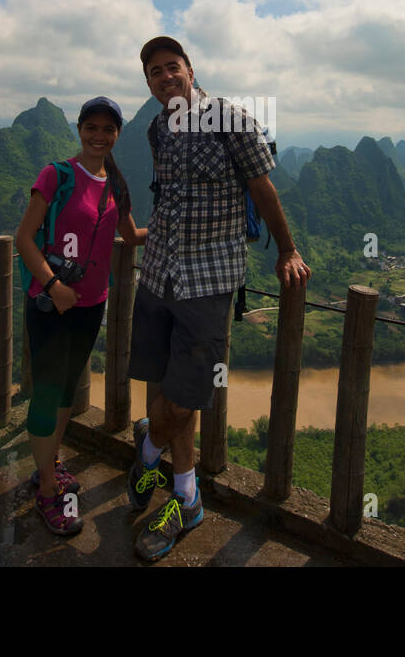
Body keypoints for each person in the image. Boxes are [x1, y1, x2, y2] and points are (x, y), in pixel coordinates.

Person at [127, 36, 311, 561]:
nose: (166, 77)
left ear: (190, 70)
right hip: (157, 273)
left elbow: (262, 187)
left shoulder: (231, 119)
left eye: (173, 66)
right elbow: (169, 197)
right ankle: (184, 496)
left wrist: (287, 250)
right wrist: (143, 237)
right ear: (149, 83)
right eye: (155, 71)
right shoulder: (157, 129)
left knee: (182, 399)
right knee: (167, 389)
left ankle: (149, 452)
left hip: (208, 281)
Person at [16, 96, 146, 535]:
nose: (99, 136)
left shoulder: (116, 187)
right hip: (51, 304)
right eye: (91, 127)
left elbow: (131, 236)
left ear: (117, 134)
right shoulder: (56, 175)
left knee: (66, 393)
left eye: (108, 129)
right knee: (47, 395)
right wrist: (54, 285)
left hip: (91, 306)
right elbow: (24, 238)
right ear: (79, 130)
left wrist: (180, 227)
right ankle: (47, 492)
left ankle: (47, 464)